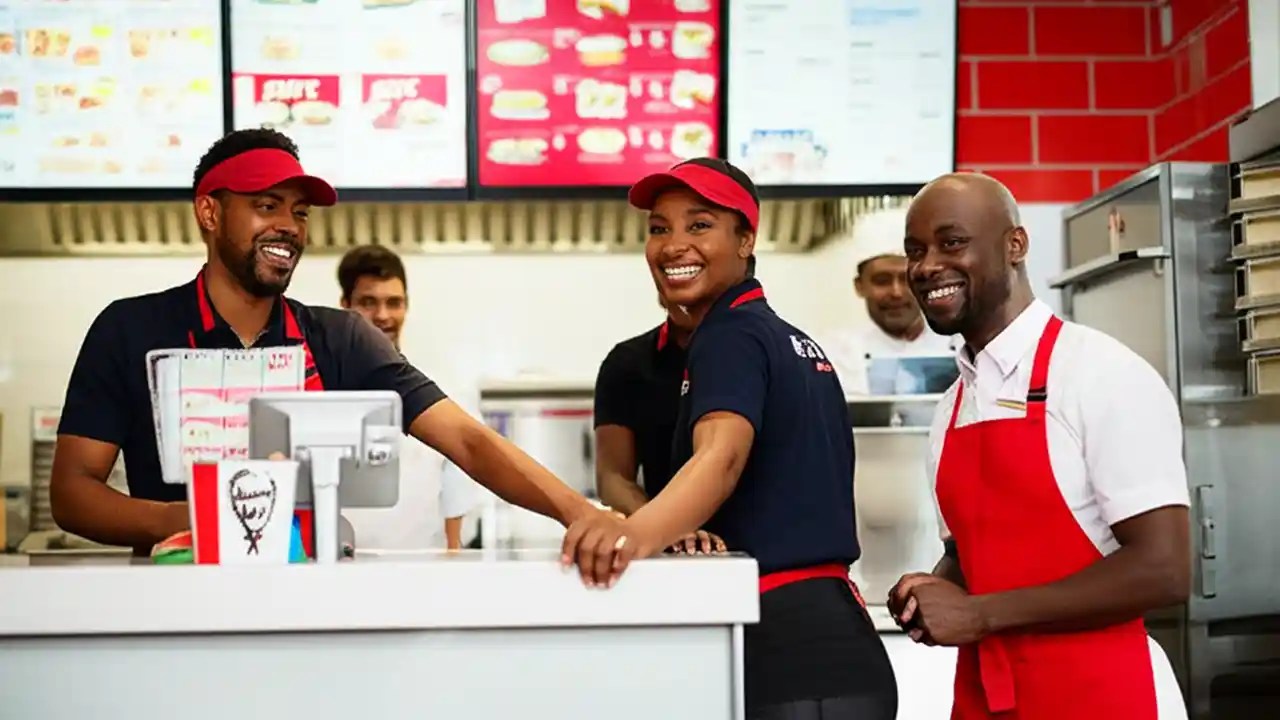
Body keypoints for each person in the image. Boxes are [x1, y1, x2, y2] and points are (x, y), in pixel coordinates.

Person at [49, 128, 606, 555]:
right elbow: (73, 492)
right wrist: (189, 521)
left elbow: (466, 440)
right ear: (210, 212)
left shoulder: (340, 339)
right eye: (267, 205)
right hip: (175, 612)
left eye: (299, 212)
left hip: (310, 618)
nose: (289, 226)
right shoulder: (131, 330)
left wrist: (579, 512)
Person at [562, 158, 898, 719]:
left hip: (780, 647)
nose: (673, 244)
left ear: (745, 240)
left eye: (699, 225)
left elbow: (720, 460)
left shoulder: (727, 336)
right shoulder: (795, 343)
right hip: (844, 639)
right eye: (659, 228)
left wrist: (627, 540)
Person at [887, 172, 1190, 719]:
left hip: (1104, 695)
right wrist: (929, 593)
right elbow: (969, 555)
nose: (927, 266)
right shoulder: (953, 406)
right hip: (989, 697)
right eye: (915, 251)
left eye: (952, 242)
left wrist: (979, 615)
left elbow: (1163, 568)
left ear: (1016, 245)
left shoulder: (1100, 373)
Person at [335, 245, 476, 550]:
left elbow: (457, 490)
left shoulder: (441, 391)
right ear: (345, 306)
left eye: (394, 303)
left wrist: (453, 555)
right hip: (338, 567)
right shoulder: (322, 388)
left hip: (422, 567)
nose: (383, 315)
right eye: (368, 303)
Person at [824, 207, 960, 395]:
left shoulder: (960, 346)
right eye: (882, 281)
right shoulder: (837, 356)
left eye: (906, 279)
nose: (896, 293)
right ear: (860, 286)